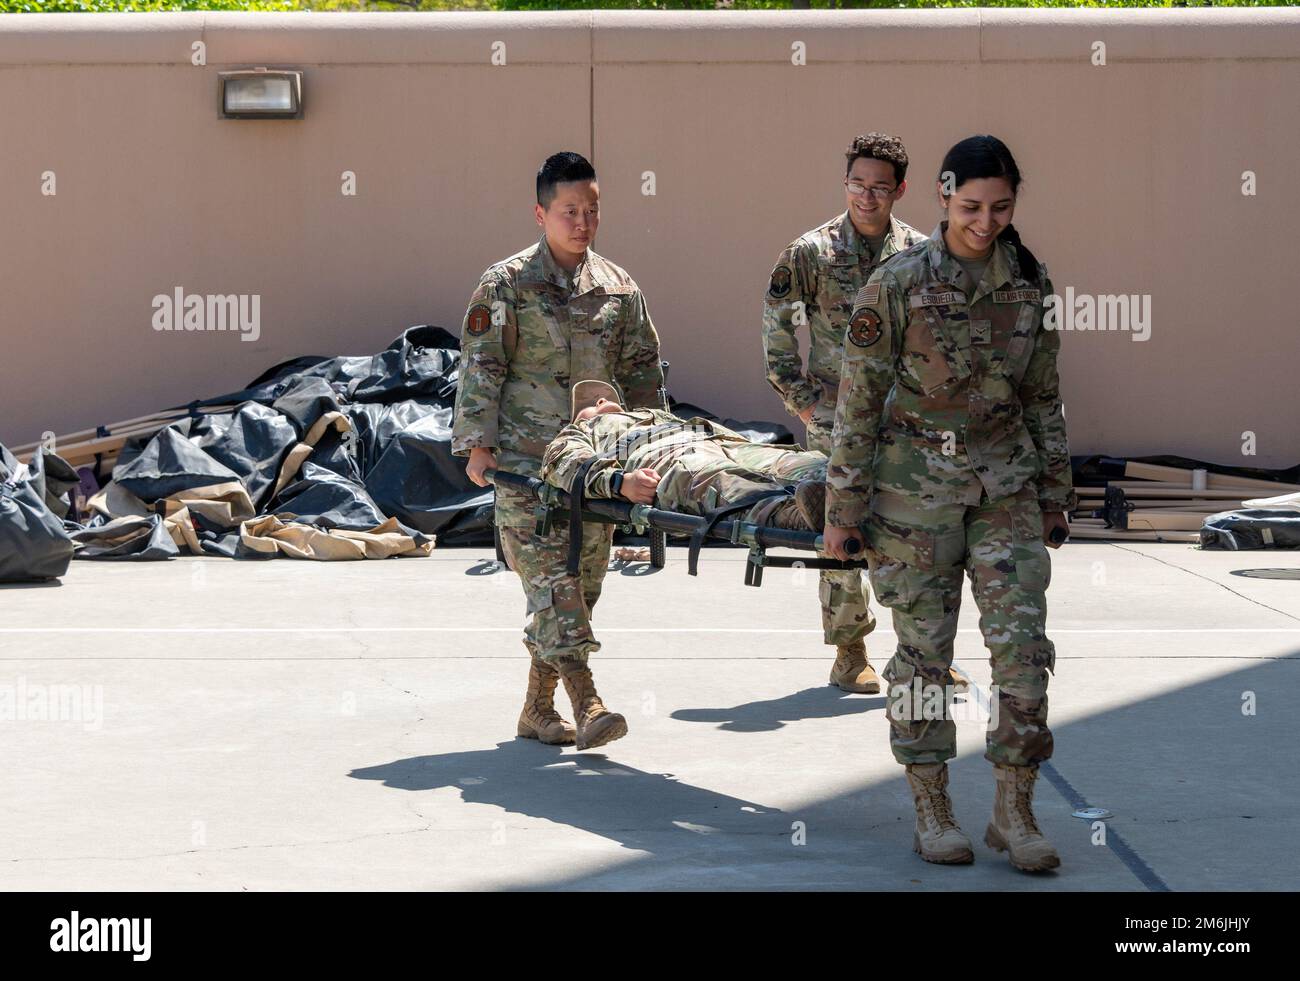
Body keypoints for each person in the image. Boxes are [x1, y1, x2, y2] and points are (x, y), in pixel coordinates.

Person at [823, 135, 1076, 872]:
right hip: (913, 495)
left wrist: (1056, 493)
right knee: (925, 662)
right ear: (942, 195)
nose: (985, 221)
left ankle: (1013, 809)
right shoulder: (898, 282)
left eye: (1000, 207)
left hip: (1006, 485)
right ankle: (932, 805)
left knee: (1024, 654)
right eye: (971, 206)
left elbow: (1043, 395)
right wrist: (843, 512)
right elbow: (858, 402)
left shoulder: (1030, 281)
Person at [452, 152, 664, 752]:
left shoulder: (619, 289)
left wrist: (648, 446)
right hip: (526, 466)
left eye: (592, 210)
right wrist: (478, 445)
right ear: (540, 212)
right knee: (553, 587)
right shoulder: (505, 285)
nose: (582, 222)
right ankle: (587, 699)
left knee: (580, 587)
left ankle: (536, 711)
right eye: (569, 211)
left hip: (596, 473)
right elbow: (481, 368)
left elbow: (643, 373)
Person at [762, 133, 927, 694]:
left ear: (899, 189)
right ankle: (848, 650)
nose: (867, 196)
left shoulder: (920, 255)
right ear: (845, 183)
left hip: (902, 418)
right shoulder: (811, 252)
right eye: (858, 184)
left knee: (912, 531)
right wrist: (804, 400)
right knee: (841, 529)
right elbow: (776, 333)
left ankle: (918, 652)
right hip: (835, 416)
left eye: (880, 187)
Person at [540, 380, 828, 532]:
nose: (601, 401)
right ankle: (796, 515)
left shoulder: (655, 414)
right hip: (668, 460)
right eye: (589, 405)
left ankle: (845, 490)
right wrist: (619, 482)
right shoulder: (579, 433)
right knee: (721, 481)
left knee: (804, 462)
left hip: (722, 443)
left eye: (604, 396)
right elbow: (565, 464)